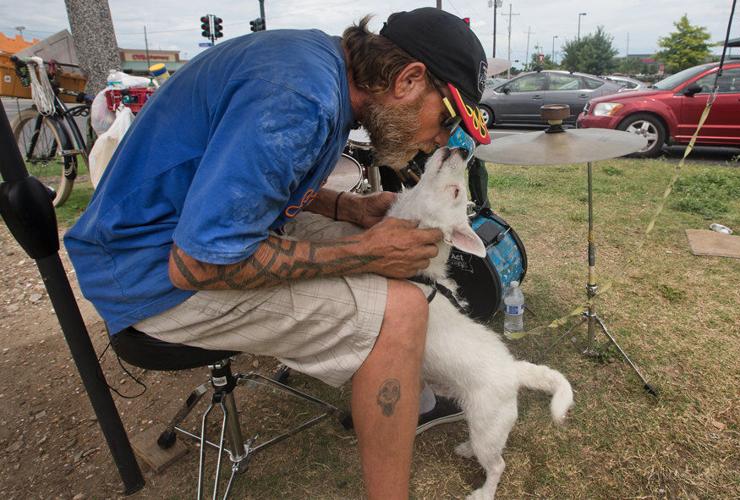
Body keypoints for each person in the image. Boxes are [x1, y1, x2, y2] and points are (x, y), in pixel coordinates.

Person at [64, 7, 490, 499]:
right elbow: (196, 264)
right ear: (409, 79)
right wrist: (364, 255)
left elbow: (256, 185)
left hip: (180, 240)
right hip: (149, 275)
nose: (440, 139)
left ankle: (404, 396)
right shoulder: (299, 98)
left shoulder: (322, 68)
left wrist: (346, 208)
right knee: (403, 308)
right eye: (447, 118)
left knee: (401, 258)